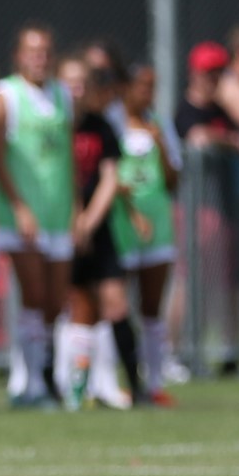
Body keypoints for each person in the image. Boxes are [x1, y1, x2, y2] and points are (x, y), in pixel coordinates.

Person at [0, 22, 72, 408]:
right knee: (34, 297)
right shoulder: (6, 95)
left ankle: (46, 377)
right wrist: (19, 206)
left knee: (55, 302)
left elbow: (68, 157)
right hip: (23, 214)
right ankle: (29, 383)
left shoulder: (62, 96)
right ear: (18, 56)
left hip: (57, 213)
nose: (40, 59)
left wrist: (77, 208)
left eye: (46, 51)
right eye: (32, 51)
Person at [63, 63, 139, 410]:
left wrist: (89, 223)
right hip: (63, 223)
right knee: (80, 308)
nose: (76, 91)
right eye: (70, 84)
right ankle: (77, 389)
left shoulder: (101, 126)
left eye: (82, 84)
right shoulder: (57, 125)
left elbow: (110, 178)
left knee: (115, 303)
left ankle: (132, 385)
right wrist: (74, 221)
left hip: (98, 227)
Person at [111, 65, 182, 407]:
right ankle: (113, 382)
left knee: (152, 307)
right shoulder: (114, 123)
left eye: (152, 87)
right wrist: (131, 212)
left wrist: (162, 145)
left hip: (158, 223)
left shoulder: (159, 124)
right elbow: (112, 177)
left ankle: (154, 383)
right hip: (122, 223)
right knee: (115, 303)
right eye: (141, 86)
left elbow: (172, 181)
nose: (146, 93)